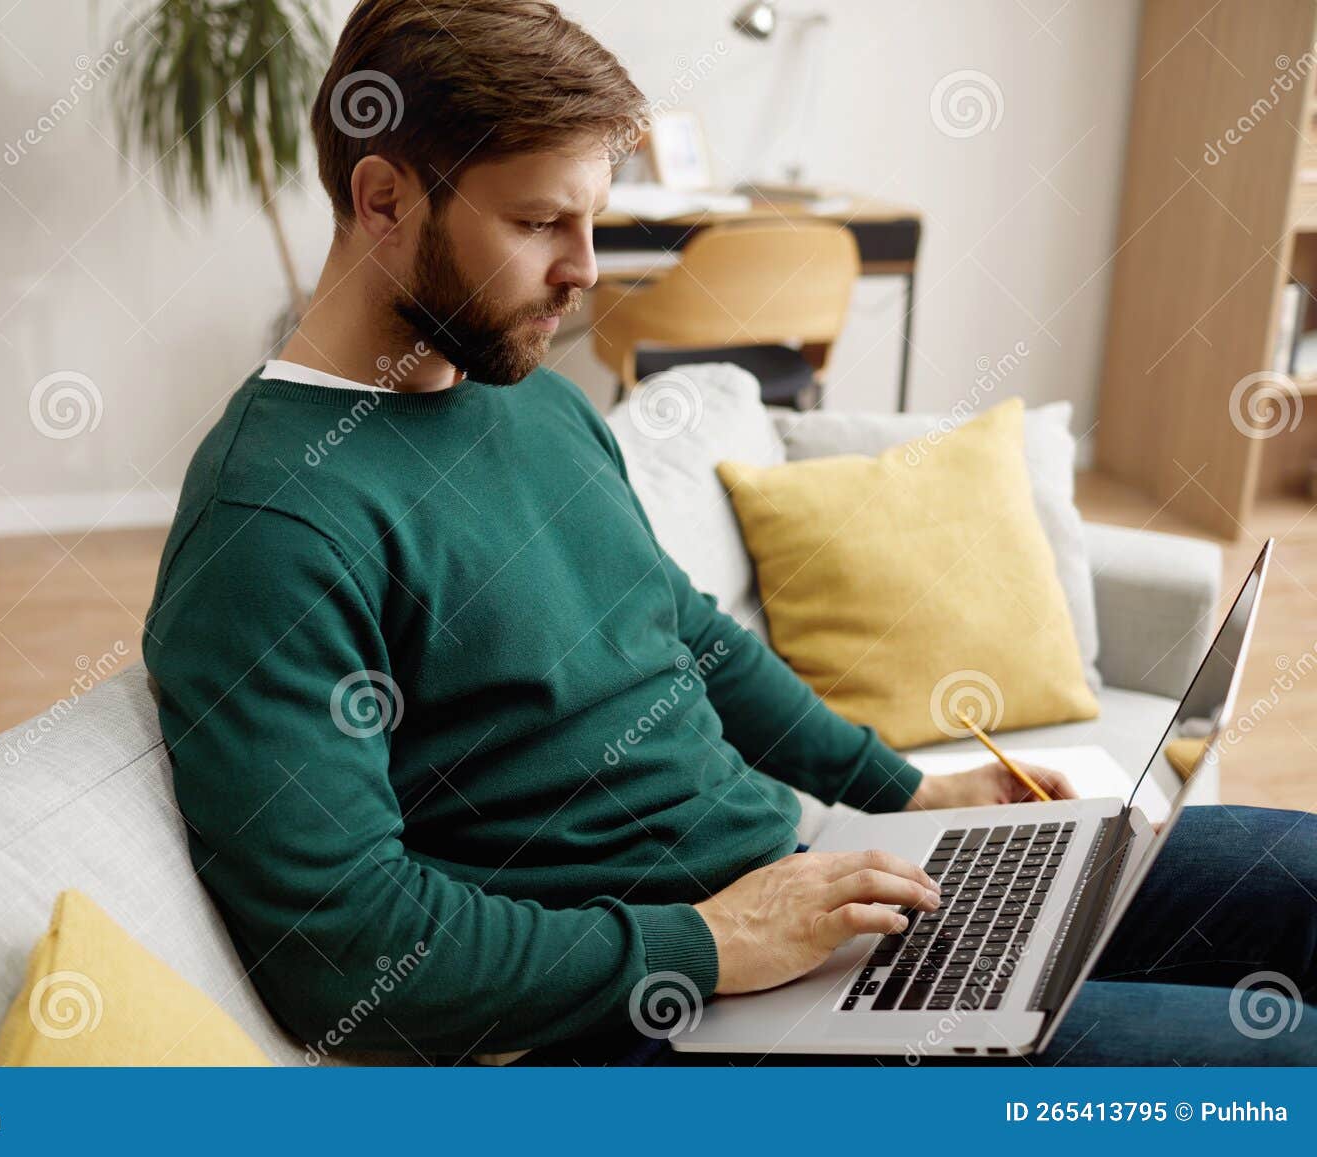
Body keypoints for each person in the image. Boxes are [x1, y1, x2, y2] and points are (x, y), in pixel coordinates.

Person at [143, 0, 1317, 1065]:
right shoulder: (273, 521)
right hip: (666, 1023)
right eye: (542, 222)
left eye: (592, 218)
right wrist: (706, 945)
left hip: (810, 897)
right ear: (384, 197)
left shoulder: (528, 394)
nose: (586, 273)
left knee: (1298, 874)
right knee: (1274, 1058)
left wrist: (904, 790)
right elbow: (343, 952)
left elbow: (681, 626)